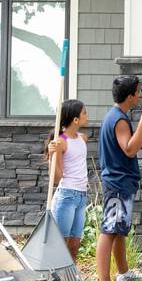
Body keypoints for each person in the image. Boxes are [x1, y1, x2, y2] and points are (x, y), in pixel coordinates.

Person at [96, 75, 142, 281]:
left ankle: (123, 274)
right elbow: (129, 149)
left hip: (121, 181)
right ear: (130, 96)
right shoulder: (119, 120)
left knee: (119, 230)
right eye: (138, 92)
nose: (140, 96)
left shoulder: (115, 116)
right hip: (118, 183)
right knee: (109, 230)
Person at [46, 99, 88, 261]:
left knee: (75, 244)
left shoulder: (82, 138)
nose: (87, 115)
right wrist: (51, 155)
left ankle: (71, 279)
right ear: (75, 119)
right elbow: (56, 178)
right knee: (61, 244)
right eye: (84, 113)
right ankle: (55, 280)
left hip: (82, 196)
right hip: (66, 196)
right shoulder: (61, 142)